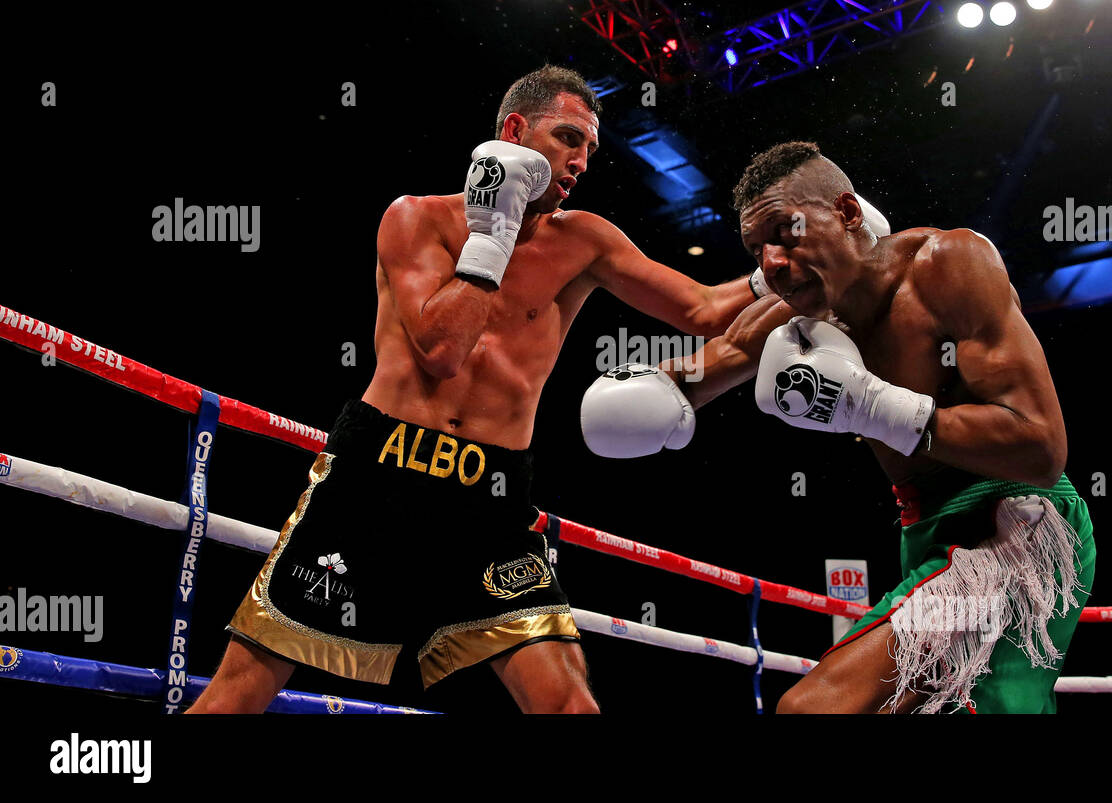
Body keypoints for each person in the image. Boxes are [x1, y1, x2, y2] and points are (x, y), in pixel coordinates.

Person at [188, 65, 756, 714]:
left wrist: (793, 274)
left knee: (568, 705)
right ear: (514, 131)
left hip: (490, 499)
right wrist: (495, 233)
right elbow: (441, 350)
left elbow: (704, 310)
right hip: (376, 475)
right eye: (568, 138)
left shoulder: (586, 241)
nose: (580, 161)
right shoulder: (416, 218)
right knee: (238, 695)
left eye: (590, 149)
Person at [580, 141, 1096, 713]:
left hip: (1014, 523)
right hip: (925, 530)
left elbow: (1041, 448)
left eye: (786, 233)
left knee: (813, 709)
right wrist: (648, 392)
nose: (771, 262)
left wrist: (874, 407)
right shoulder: (799, 318)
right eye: (757, 249)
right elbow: (700, 368)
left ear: (848, 213)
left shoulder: (948, 265)